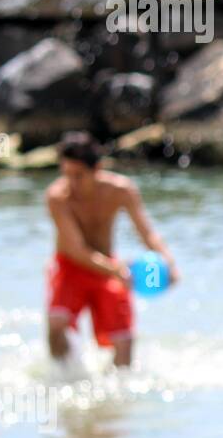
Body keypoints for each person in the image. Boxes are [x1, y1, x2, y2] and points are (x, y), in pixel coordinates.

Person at [45, 132, 178, 368]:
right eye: (66, 174)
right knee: (57, 324)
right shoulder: (57, 197)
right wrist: (117, 270)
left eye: (79, 175)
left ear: (98, 168)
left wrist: (168, 262)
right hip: (71, 266)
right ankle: (63, 380)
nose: (71, 183)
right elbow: (76, 249)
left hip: (108, 267)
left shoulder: (121, 190)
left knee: (124, 340)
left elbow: (146, 233)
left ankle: (118, 394)